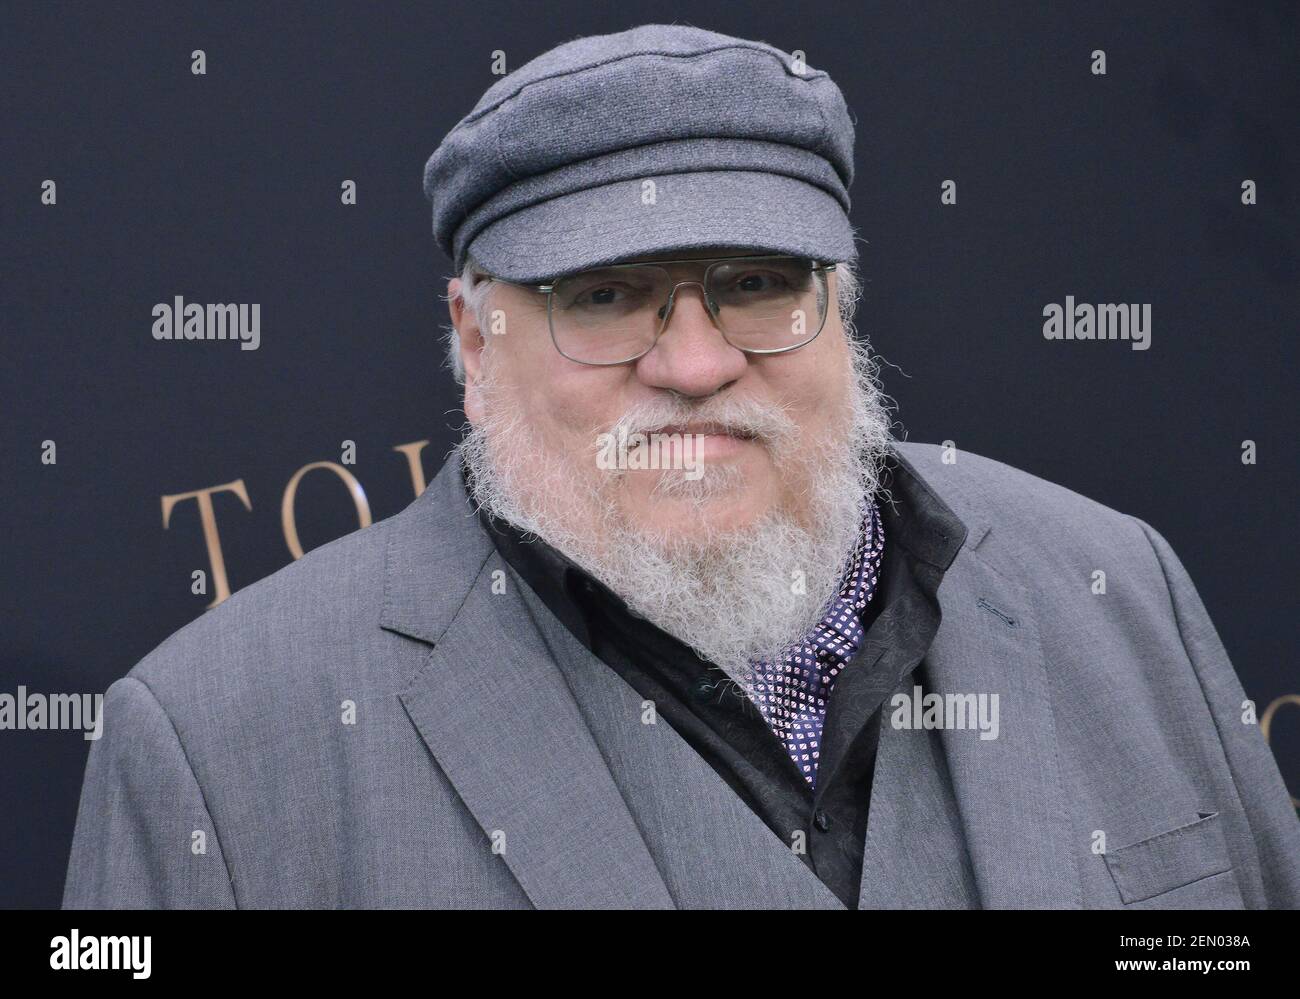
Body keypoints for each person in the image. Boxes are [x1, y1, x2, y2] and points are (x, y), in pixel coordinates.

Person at [64, 23, 1299, 909]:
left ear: (842, 300)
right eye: (605, 296)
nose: (696, 363)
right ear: (472, 338)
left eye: (757, 283)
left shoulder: (1114, 584)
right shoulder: (215, 751)